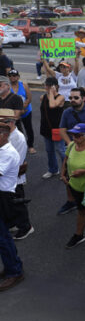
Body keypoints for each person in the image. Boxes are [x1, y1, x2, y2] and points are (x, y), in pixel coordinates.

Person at [0, 124, 23, 291]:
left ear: (3, 136)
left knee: (2, 238)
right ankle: (12, 266)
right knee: (3, 236)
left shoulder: (7, 153)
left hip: (3, 198)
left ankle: (14, 271)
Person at [40, 77, 66, 180]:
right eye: (46, 85)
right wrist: (49, 93)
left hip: (57, 130)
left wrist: (51, 93)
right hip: (46, 128)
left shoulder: (61, 97)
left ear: (56, 86)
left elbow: (52, 105)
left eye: (49, 85)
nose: (47, 87)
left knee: (61, 151)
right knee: (49, 150)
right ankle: (53, 169)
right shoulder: (43, 97)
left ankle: (68, 170)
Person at [8, 70, 34, 153]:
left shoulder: (24, 85)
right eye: (10, 76)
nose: (12, 77)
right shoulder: (7, 87)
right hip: (15, 114)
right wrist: (17, 112)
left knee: (28, 129)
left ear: (18, 77)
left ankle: (30, 146)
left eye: (14, 75)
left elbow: (29, 98)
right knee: (17, 131)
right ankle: (20, 146)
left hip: (26, 111)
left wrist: (22, 109)